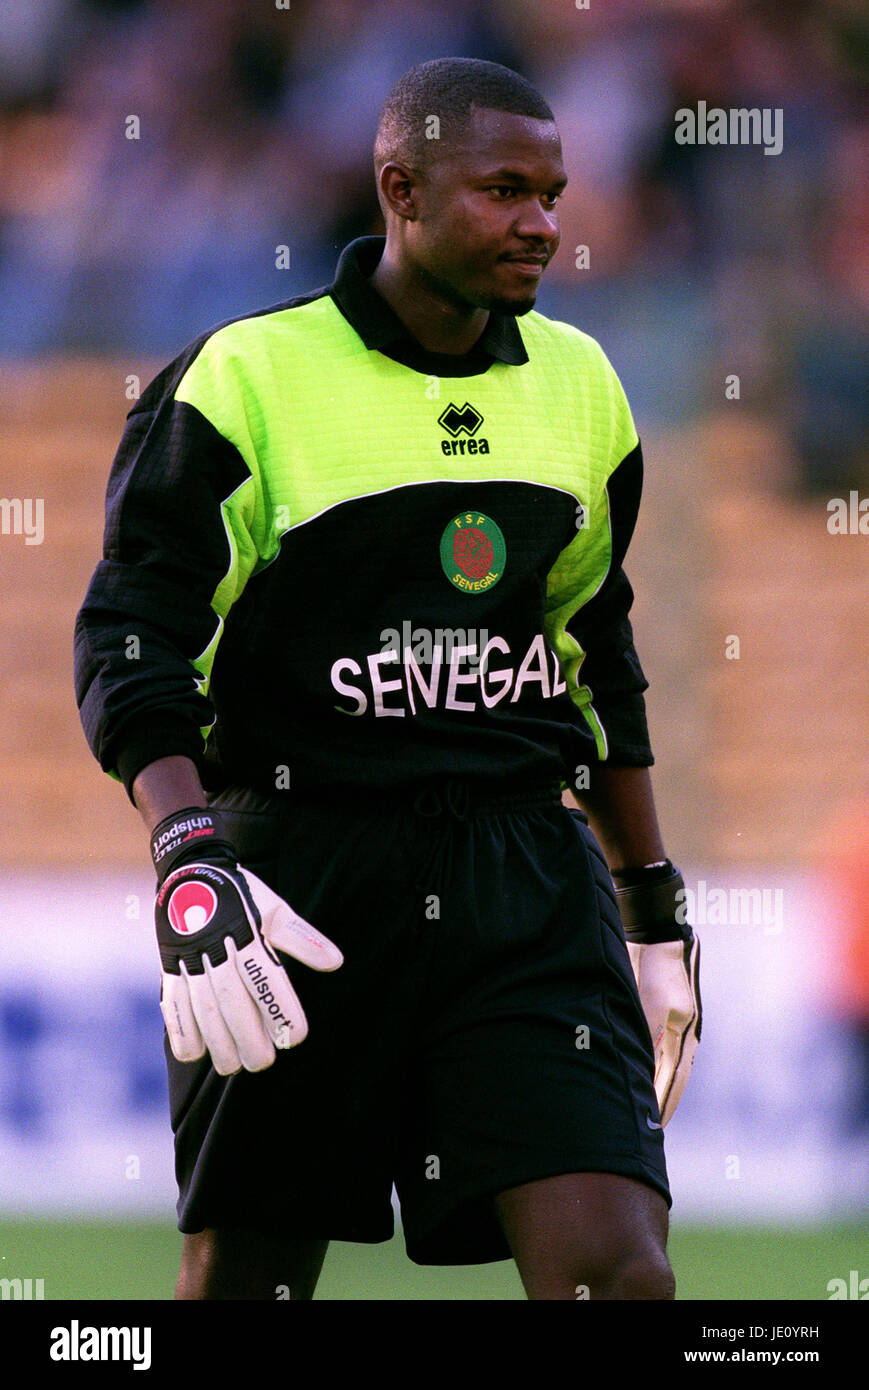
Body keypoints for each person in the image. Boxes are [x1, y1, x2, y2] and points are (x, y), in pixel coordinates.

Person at [74, 56, 700, 1301]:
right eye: (505, 190)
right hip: (295, 886)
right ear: (400, 189)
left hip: (524, 884)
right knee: (247, 1284)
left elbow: (595, 653)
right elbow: (129, 641)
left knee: (618, 1279)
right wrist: (190, 857)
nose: (543, 223)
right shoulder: (243, 379)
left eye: (553, 193)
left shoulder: (581, 385)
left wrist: (648, 898)